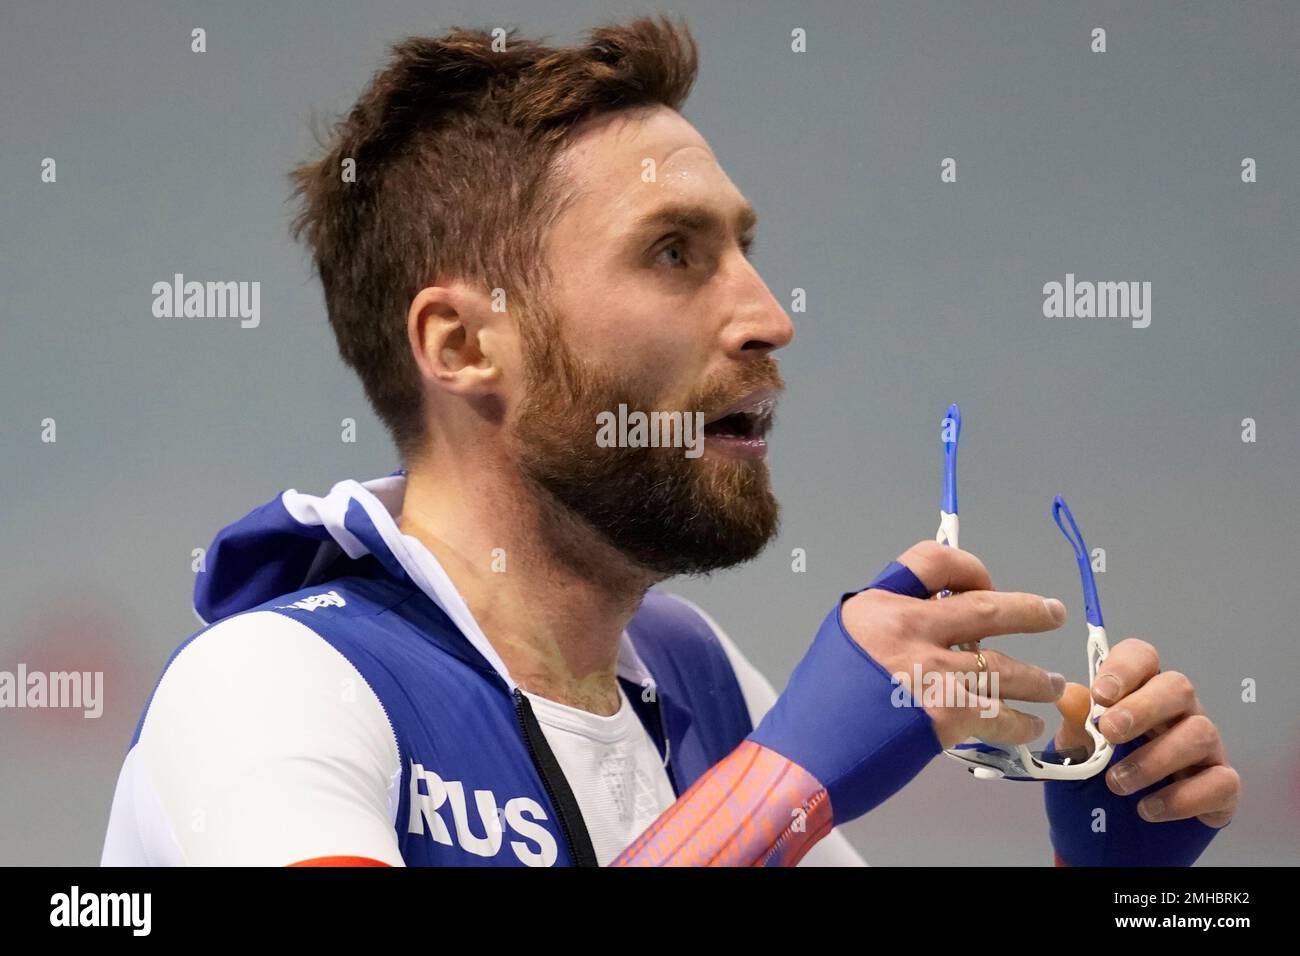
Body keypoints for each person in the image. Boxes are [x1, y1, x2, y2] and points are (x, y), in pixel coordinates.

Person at [100, 15, 1237, 867]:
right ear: (459, 344)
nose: (769, 315)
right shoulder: (272, 685)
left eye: (744, 248)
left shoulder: (692, 685)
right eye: (673, 253)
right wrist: (782, 780)